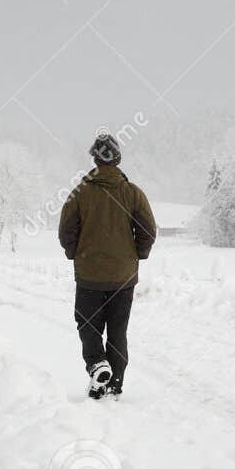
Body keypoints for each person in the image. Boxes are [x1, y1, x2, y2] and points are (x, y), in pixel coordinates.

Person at [58, 132, 157, 399]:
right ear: (117, 159)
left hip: (89, 276)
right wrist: (136, 255)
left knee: (87, 324)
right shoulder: (133, 193)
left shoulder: (80, 193)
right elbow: (148, 231)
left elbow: (66, 231)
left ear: (95, 158)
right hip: (123, 277)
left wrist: (75, 254)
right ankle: (114, 384)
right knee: (117, 330)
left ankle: (97, 364)